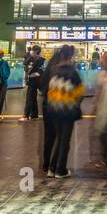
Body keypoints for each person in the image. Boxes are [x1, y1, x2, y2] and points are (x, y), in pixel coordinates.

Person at [45, 44, 85, 178]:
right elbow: (79, 93)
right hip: (67, 109)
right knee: (65, 140)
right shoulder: (72, 72)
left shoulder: (53, 70)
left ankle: (52, 168)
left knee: (59, 138)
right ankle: (61, 170)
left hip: (54, 108)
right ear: (70, 56)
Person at [39, 46, 66, 174]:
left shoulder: (49, 69)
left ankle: (46, 163)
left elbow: (41, 87)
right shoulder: (62, 71)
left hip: (47, 104)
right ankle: (55, 166)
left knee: (49, 135)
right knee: (61, 136)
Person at [23, 44, 46, 120]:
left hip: (34, 81)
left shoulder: (34, 59)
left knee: (30, 97)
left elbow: (27, 68)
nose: (31, 51)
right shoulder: (41, 59)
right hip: (39, 80)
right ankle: (34, 115)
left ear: (36, 51)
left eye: (33, 50)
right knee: (32, 97)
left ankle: (26, 115)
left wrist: (27, 77)